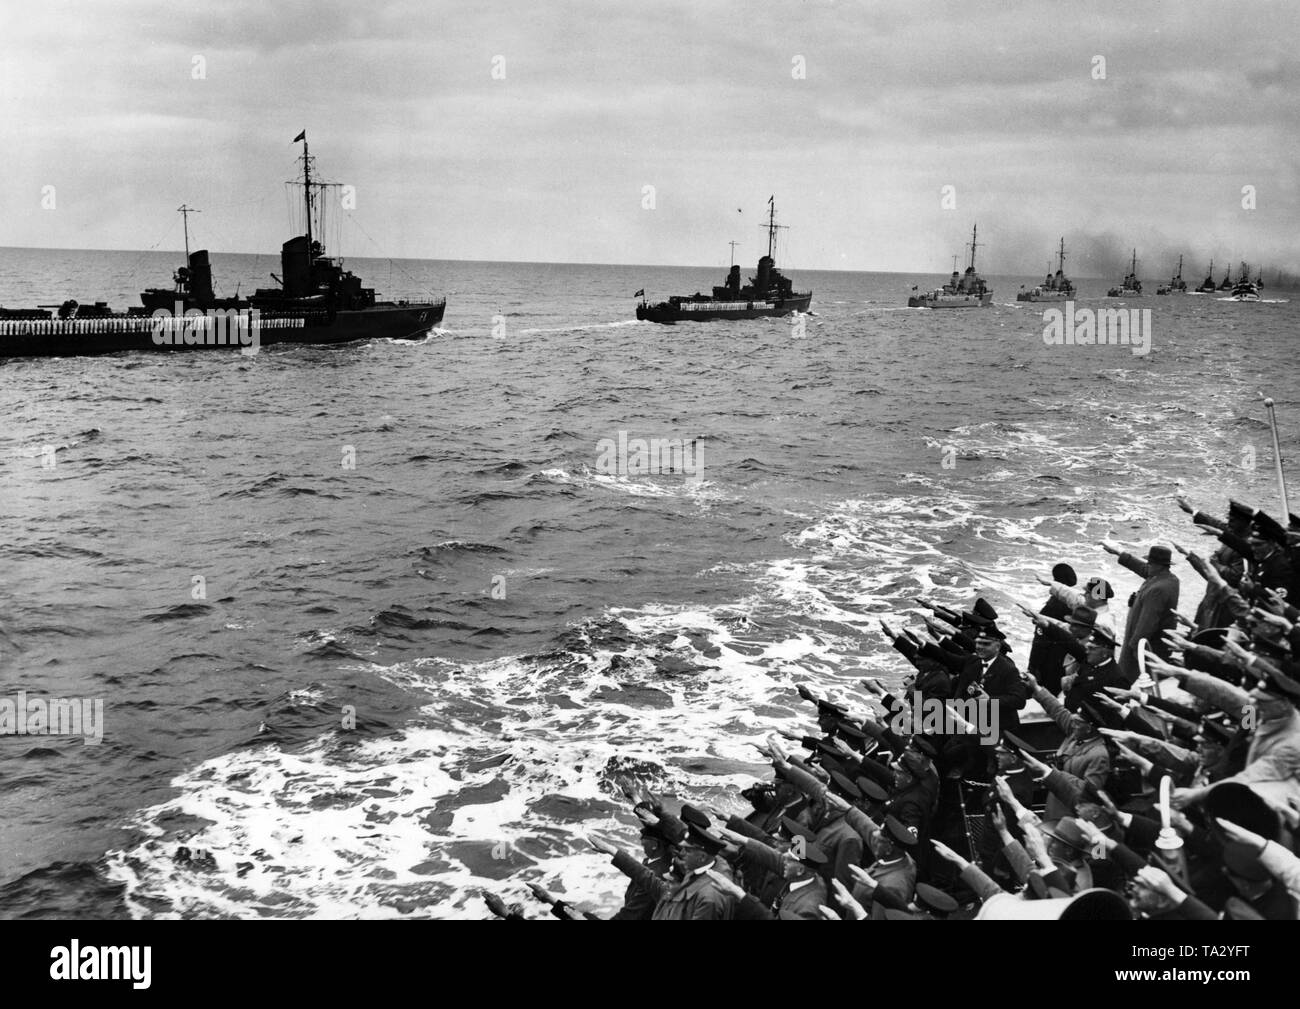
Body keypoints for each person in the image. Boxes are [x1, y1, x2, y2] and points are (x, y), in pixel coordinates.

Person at [1102, 540, 1180, 684]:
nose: (1147, 565)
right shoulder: (1170, 579)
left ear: (1159, 566)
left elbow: (1148, 622)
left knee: (1130, 679)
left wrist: (1134, 647)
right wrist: (1119, 553)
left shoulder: (1158, 589)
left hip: (1144, 645)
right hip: (1155, 644)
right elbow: (1143, 569)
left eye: (1150, 563)